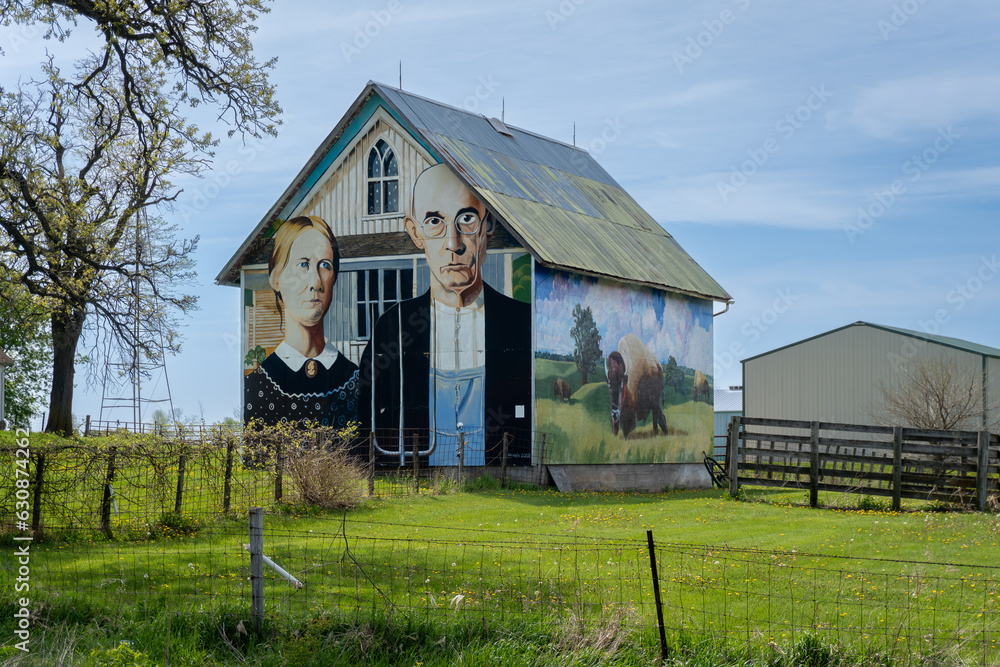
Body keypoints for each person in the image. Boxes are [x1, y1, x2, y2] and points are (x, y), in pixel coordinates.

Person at [360, 164, 531, 466]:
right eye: (435, 221)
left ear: (487, 225)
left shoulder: (521, 324)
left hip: (498, 480)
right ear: (416, 232)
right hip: (414, 480)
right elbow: (367, 409)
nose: (454, 244)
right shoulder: (393, 326)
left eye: (466, 219)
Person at [244, 216, 359, 428]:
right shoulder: (255, 387)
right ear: (276, 277)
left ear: (334, 277)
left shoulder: (356, 381)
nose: (315, 282)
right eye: (303, 264)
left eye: (325, 265)